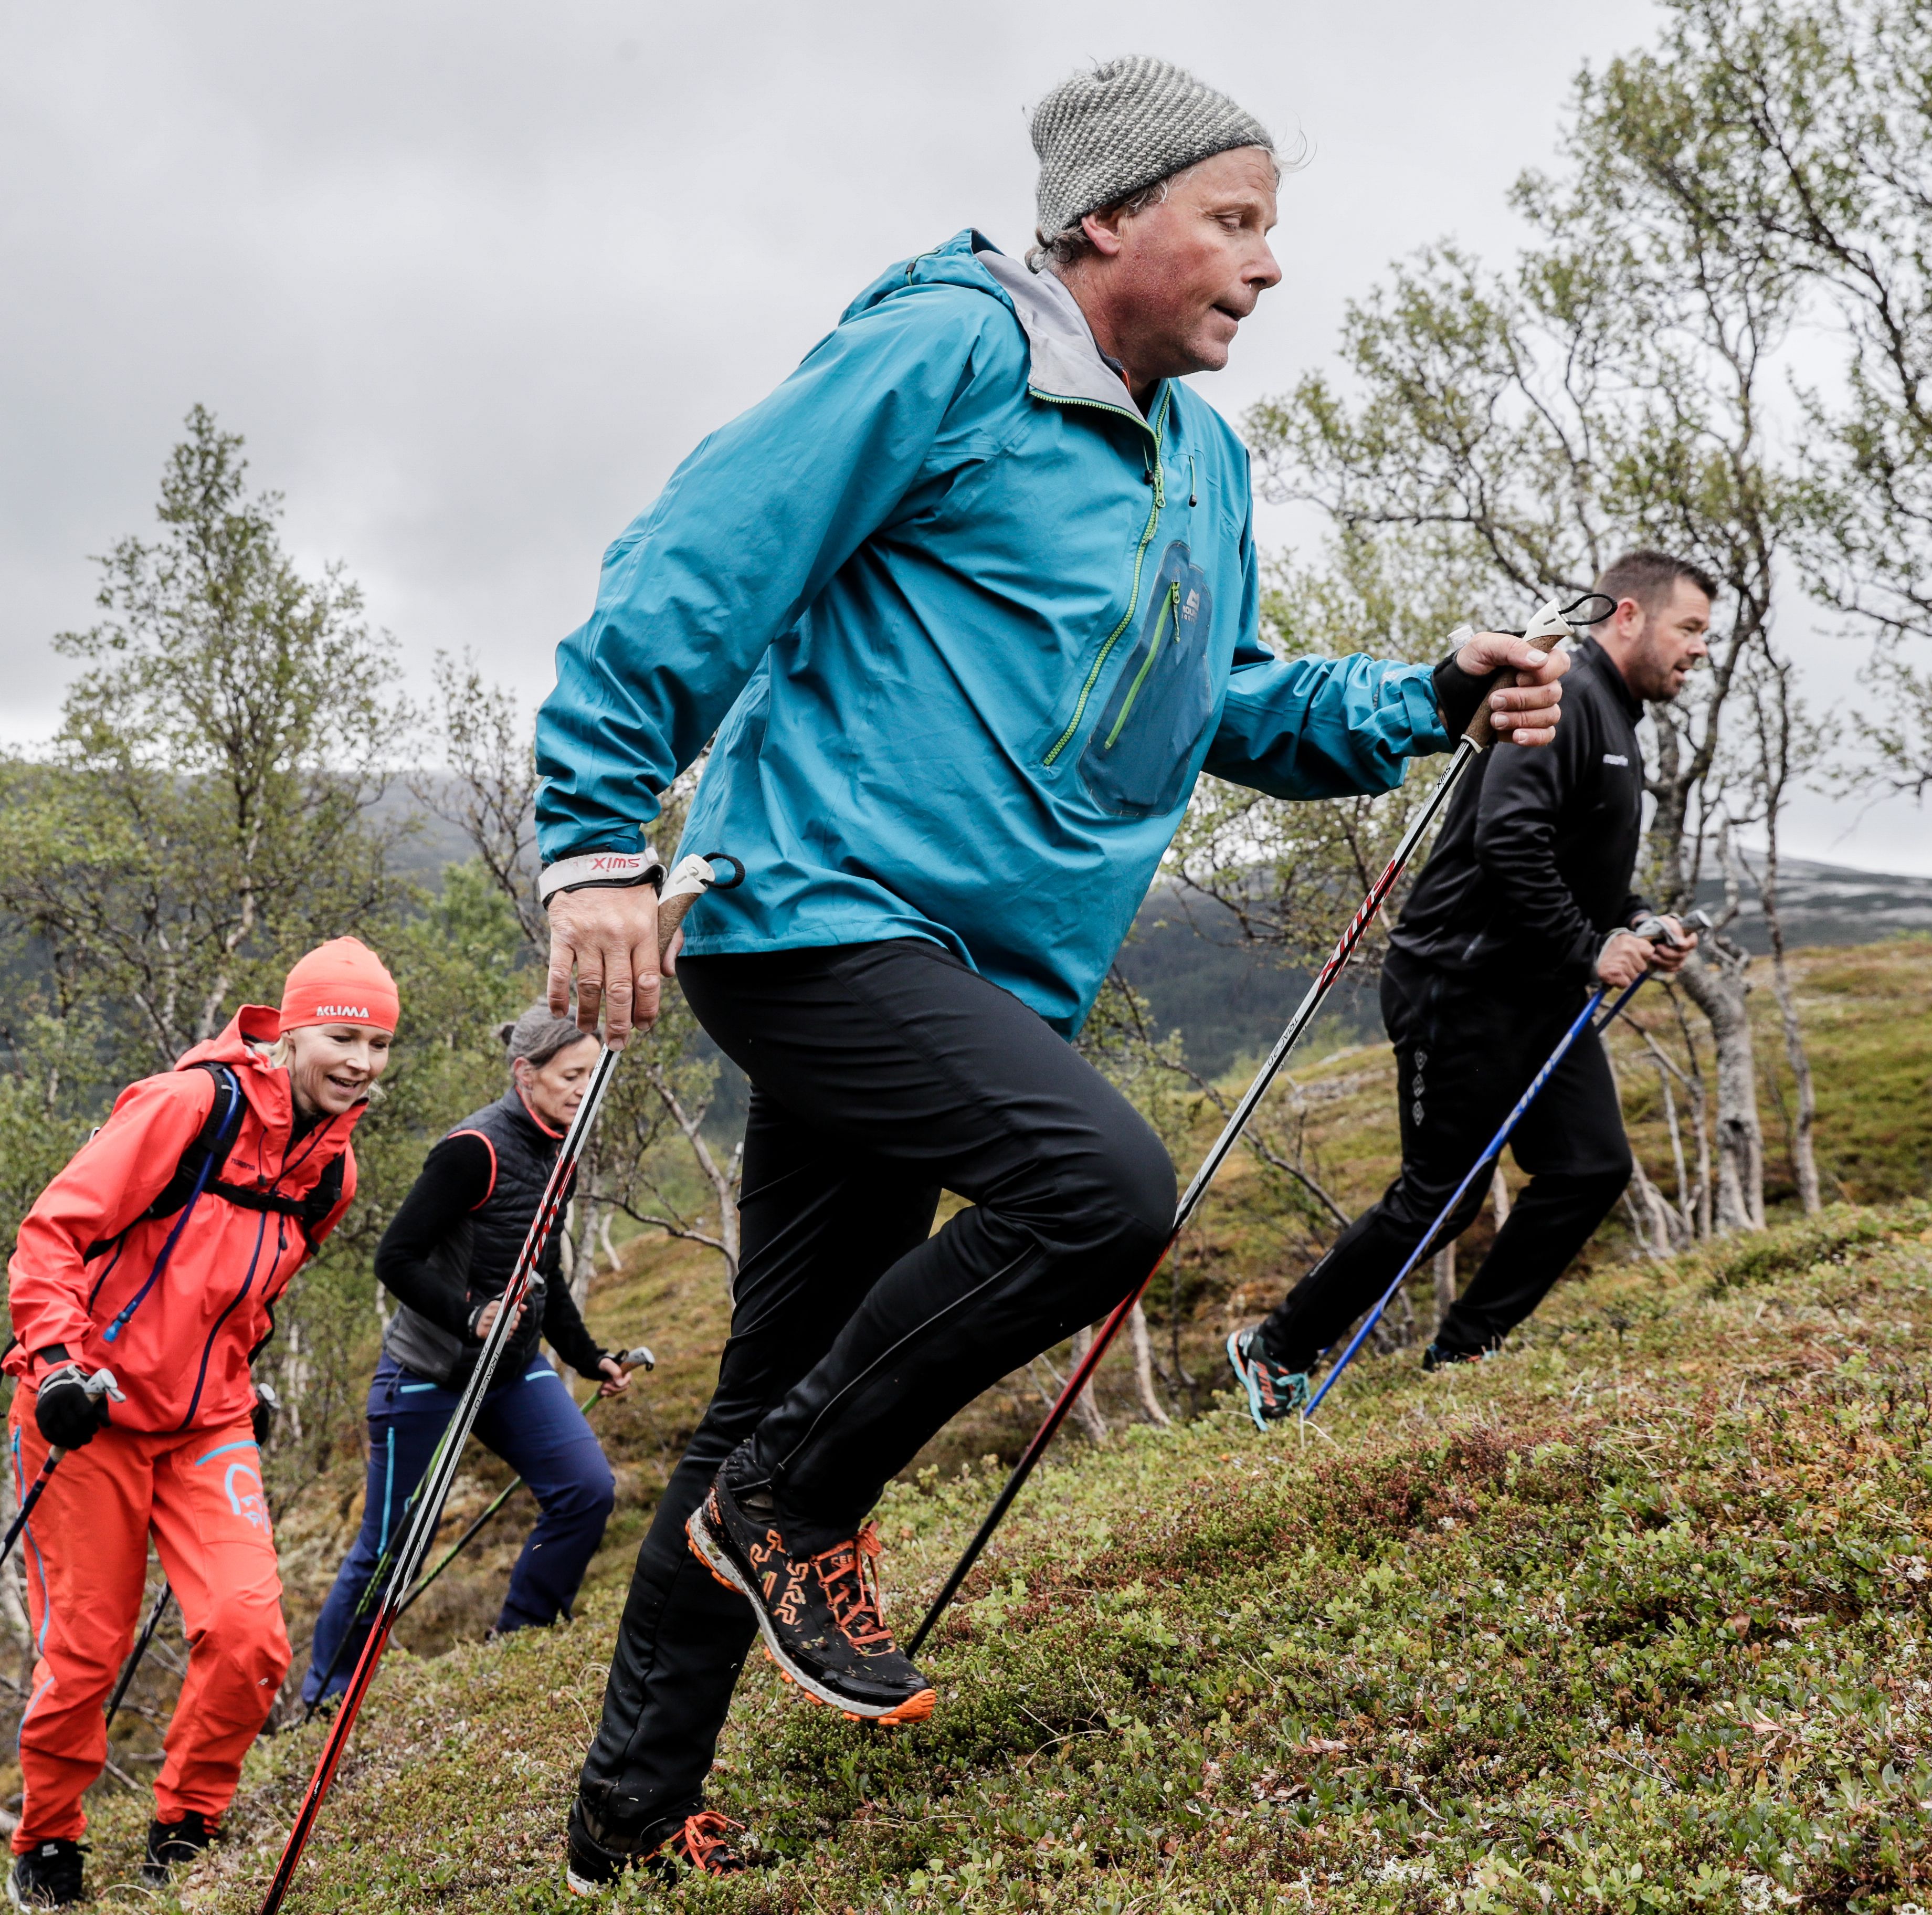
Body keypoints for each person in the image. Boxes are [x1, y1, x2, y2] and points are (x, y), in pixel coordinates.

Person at [530, 56, 1572, 1890]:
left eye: (1271, 229)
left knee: (778, 1366)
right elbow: (694, 562)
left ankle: (629, 1812)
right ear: (1108, 218)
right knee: (1096, 1188)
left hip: (987, 972)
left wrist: (1421, 696)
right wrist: (600, 840)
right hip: (813, 913)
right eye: (1233, 221)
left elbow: (1228, 700)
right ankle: (792, 1505)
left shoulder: (1206, 466)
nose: (1267, 267)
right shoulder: (943, 356)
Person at [1224, 550, 1714, 1421]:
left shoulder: (1618, 715)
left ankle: (1464, 1350)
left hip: (1538, 987)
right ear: (1629, 615)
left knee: (1589, 1166)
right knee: (1439, 1197)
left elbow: (1579, 865)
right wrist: (1586, 950)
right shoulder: (1561, 694)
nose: (1701, 651)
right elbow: (1509, 839)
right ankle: (1276, 1350)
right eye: (1691, 629)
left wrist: (1636, 923)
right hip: (1463, 979)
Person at [0, 938, 397, 1908]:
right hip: (84, 1417)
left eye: (380, 1046)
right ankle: (48, 1844)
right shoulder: (189, 1107)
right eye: (343, 1037)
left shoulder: (330, 1170)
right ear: (293, 1029)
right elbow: (54, 1231)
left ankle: (188, 1822)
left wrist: (235, 1371)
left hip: (205, 1421)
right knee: (87, 1652)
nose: (361, 1064)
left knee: (250, 1634)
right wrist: (56, 1364)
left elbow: (252, 1292)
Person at [298, 1008, 636, 1708]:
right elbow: (396, 1259)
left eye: (591, 1076)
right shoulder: (472, 1150)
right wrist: (470, 1314)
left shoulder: (560, 1151)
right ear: (526, 1075)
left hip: (512, 1370)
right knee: (394, 1547)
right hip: (428, 1373)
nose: (583, 1089)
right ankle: (325, 1698)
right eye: (572, 1076)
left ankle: (520, 1644)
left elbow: (544, 1266)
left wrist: (586, 1355)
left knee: (585, 1490)